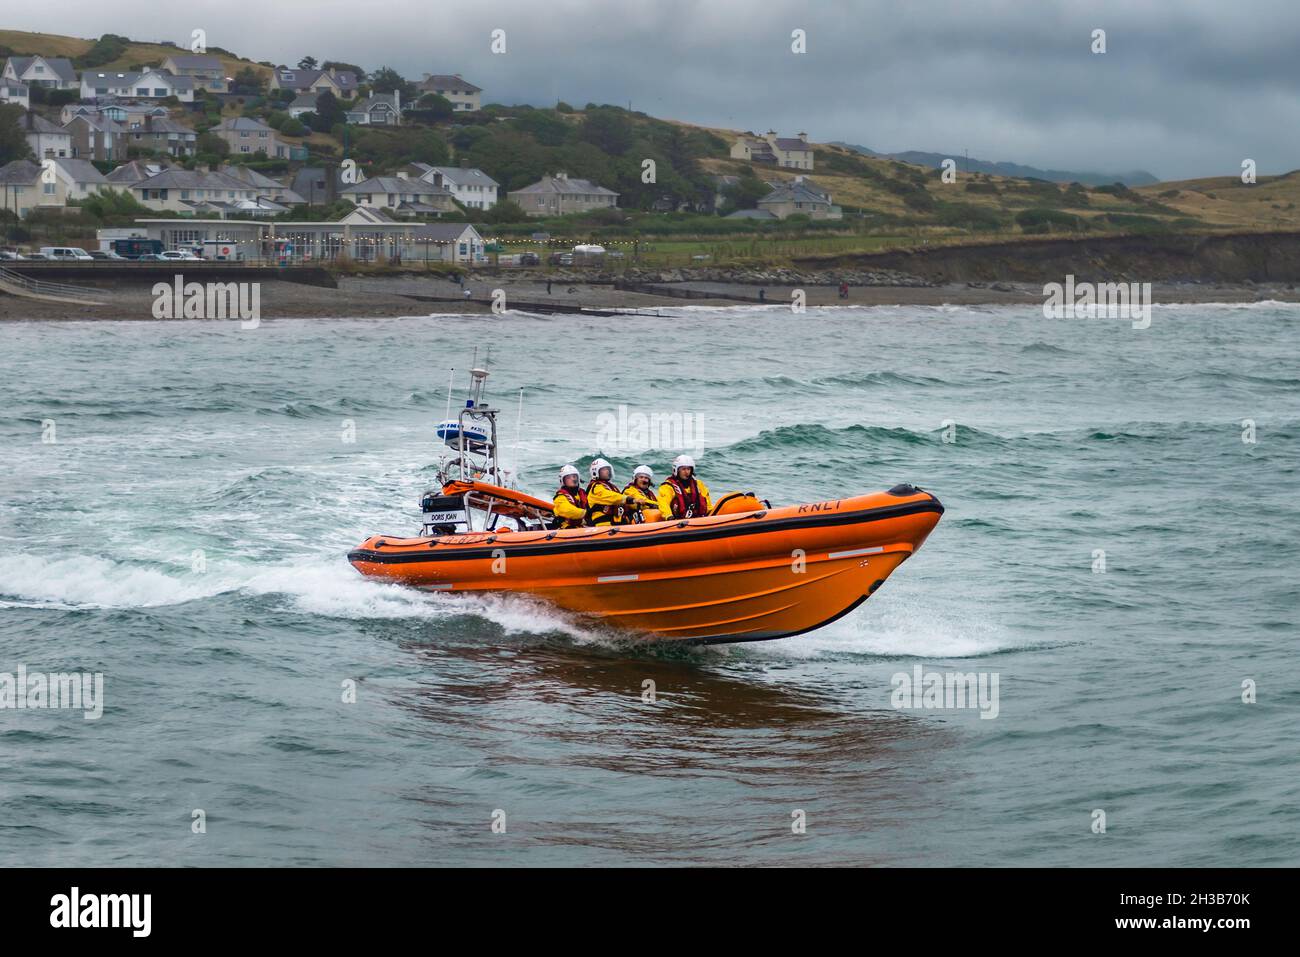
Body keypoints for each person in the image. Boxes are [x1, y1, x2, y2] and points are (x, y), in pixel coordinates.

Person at [585, 458, 641, 526]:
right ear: (595, 472)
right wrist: (630, 499)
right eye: (604, 469)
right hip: (601, 522)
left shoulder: (611, 486)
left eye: (608, 469)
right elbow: (612, 497)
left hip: (613, 520)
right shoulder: (596, 488)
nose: (607, 471)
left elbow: (620, 501)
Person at [658, 454, 711, 520]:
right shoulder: (668, 486)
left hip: (699, 519)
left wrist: (711, 514)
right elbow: (663, 503)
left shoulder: (699, 484)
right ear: (677, 470)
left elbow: (707, 502)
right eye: (683, 469)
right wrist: (669, 516)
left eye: (688, 469)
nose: (686, 472)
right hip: (678, 521)